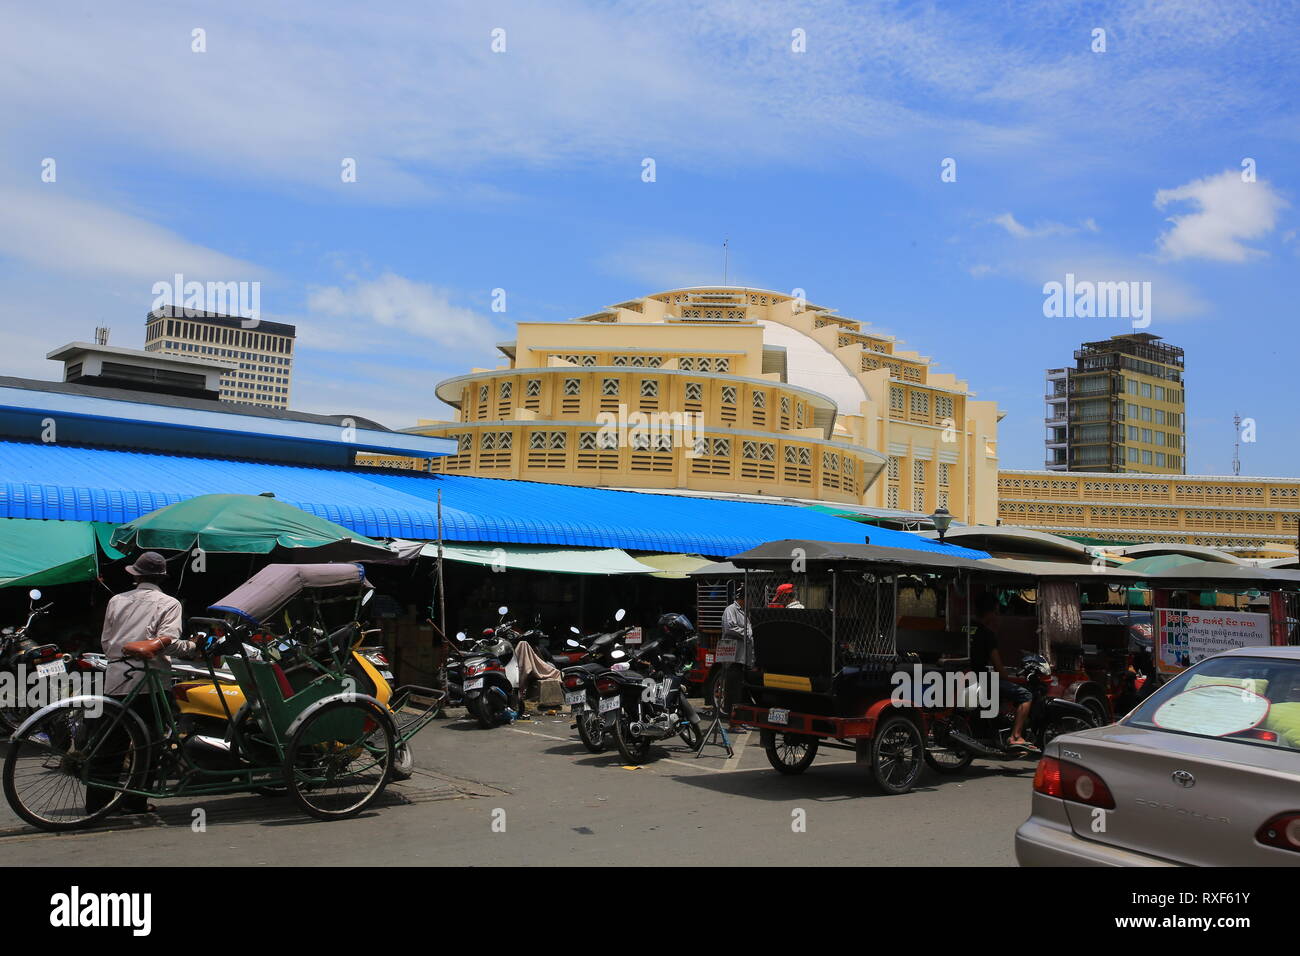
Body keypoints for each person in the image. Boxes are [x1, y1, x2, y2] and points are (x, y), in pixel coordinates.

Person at [88, 551, 197, 814]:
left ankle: (97, 804)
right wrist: (193, 646)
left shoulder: (116, 600)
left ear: (136, 575)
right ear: (161, 577)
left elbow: (107, 641)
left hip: (115, 677)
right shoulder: (169, 603)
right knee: (148, 743)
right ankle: (135, 801)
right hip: (149, 683)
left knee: (110, 742)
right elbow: (166, 642)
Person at [968, 593, 1034, 749]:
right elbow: (998, 666)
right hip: (982, 679)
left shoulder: (969, 628)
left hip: (970, 676)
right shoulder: (987, 634)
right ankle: (1015, 736)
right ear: (990, 613)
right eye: (997, 612)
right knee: (1026, 695)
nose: (998, 616)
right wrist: (1011, 677)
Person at [720, 589, 753, 732]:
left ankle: (740, 720)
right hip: (733, 657)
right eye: (749, 598)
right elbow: (730, 628)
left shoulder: (743, 612)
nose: (751, 602)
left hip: (742, 657)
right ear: (743, 598)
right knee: (733, 691)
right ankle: (733, 723)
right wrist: (748, 634)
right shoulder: (731, 609)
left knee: (741, 691)